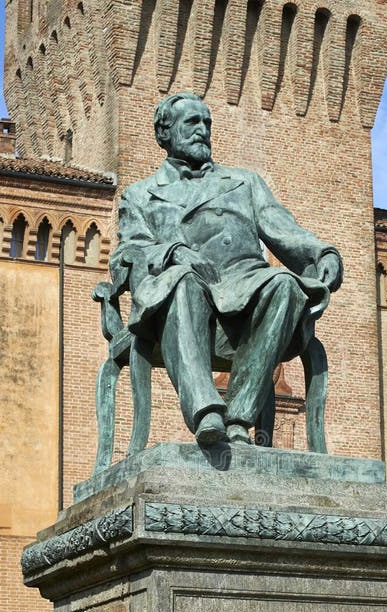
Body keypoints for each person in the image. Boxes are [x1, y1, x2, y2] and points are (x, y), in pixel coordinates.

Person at [110, 91, 343, 445]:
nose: (202, 130)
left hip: (246, 289)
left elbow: (284, 229)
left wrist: (323, 255)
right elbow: (128, 252)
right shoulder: (141, 195)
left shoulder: (244, 182)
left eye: (207, 123)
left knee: (284, 282)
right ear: (164, 133)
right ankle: (206, 412)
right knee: (183, 282)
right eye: (192, 122)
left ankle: (239, 417)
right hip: (182, 297)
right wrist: (173, 252)